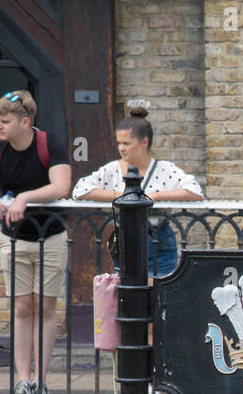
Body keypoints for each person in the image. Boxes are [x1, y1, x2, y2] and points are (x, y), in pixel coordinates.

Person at [0, 89, 71, 394]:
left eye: (5, 120)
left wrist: (24, 198)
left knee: (46, 308)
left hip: (51, 235)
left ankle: (41, 380)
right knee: (22, 308)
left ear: (25, 121)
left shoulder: (50, 143)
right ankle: (23, 380)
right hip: (12, 236)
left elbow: (62, 185)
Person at [72, 108, 203, 277]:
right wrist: (121, 196)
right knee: (128, 294)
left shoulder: (164, 169)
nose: (121, 148)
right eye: (119, 143)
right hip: (125, 241)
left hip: (158, 240)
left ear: (144, 142)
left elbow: (195, 192)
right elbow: (80, 190)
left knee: (158, 295)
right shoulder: (112, 169)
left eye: (126, 143)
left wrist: (156, 196)